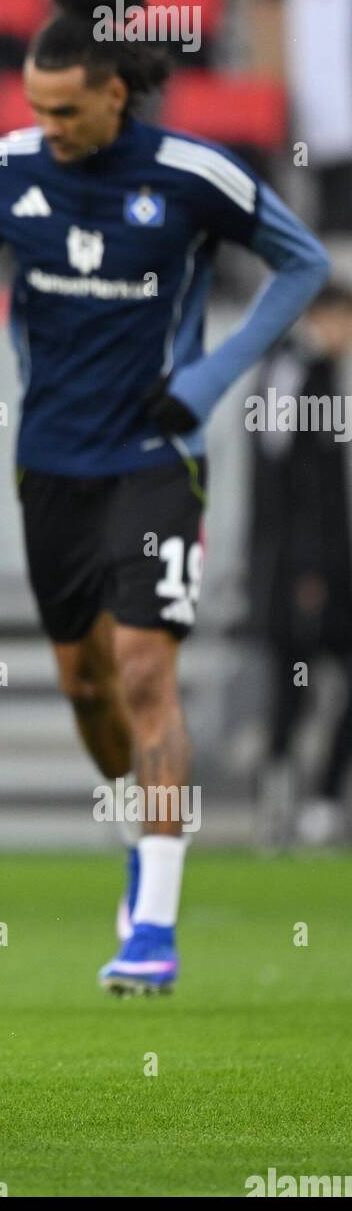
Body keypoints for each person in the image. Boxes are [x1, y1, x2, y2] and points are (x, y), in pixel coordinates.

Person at [0, 0, 331, 995]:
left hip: (156, 461)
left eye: (65, 111)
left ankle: (153, 921)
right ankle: (139, 826)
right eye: (36, 108)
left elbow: (299, 264)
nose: (48, 127)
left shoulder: (196, 175)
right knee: (85, 684)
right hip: (51, 467)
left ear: (117, 91)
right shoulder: (8, 168)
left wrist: (204, 380)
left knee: (145, 669)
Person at [247, 282, 352, 848]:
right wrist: (305, 568)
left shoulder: (320, 376)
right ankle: (281, 795)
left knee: (308, 683)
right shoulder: (288, 373)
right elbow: (283, 483)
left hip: (329, 565)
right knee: (291, 684)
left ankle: (319, 797)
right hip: (297, 570)